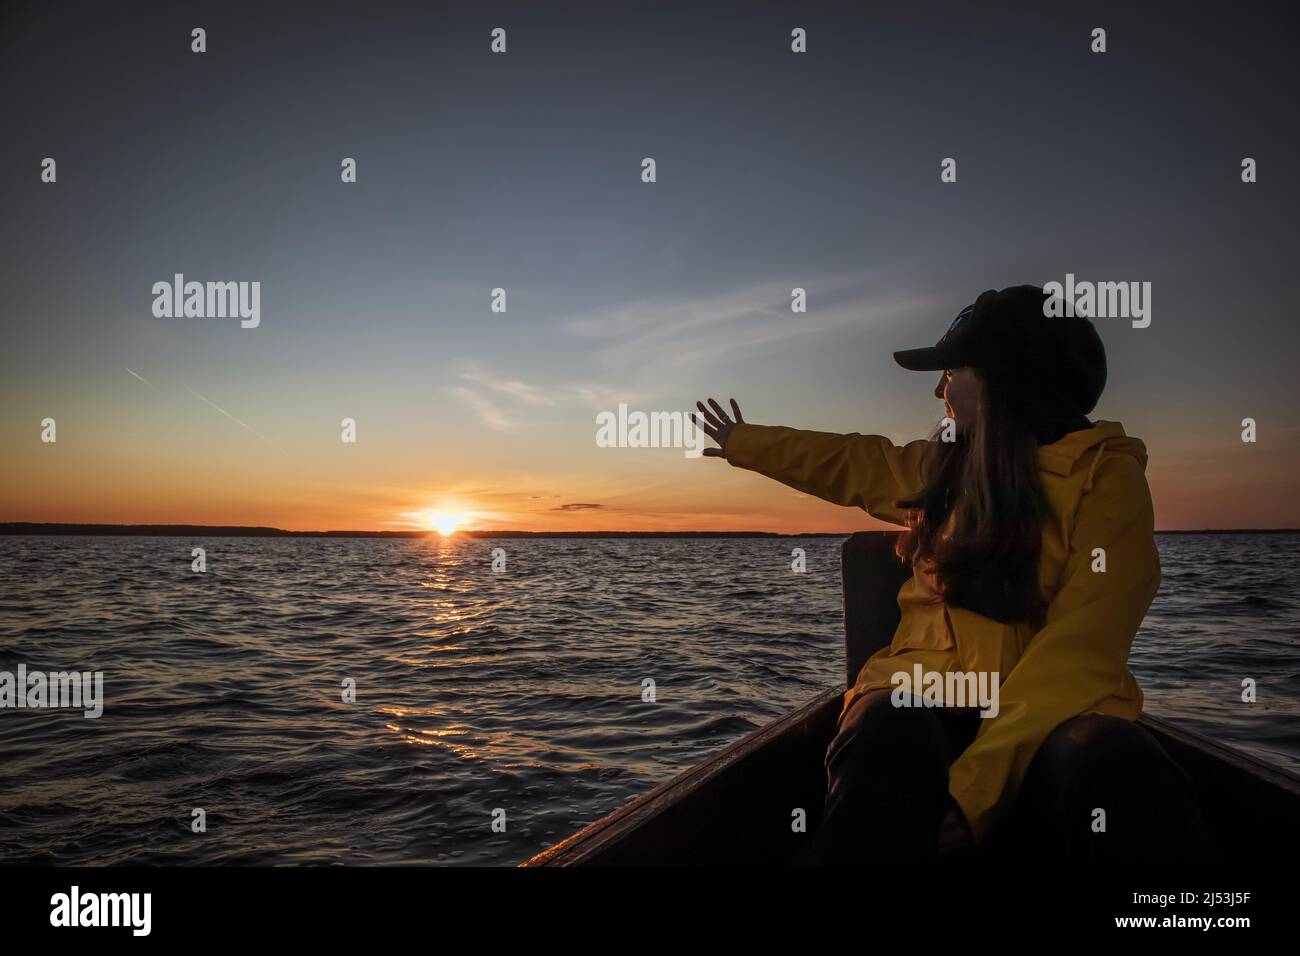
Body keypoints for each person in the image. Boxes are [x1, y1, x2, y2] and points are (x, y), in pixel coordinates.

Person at [693, 285, 1215, 865]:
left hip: (1046, 719)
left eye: (953, 370)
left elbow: (1081, 651)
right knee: (887, 729)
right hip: (920, 693)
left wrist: (976, 791)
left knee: (1112, 758)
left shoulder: (1107, 481)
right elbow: (850, 461)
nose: (939, 387)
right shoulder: (938, 466)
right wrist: (745, 442)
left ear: (1005, 379)